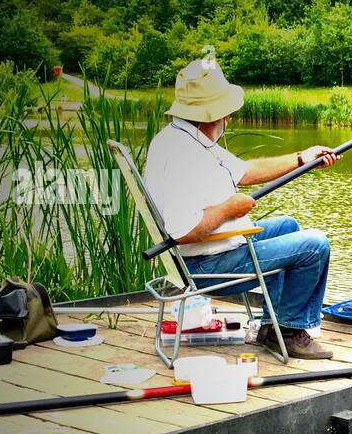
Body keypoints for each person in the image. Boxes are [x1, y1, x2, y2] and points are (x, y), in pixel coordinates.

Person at [144, 59, 341, 359]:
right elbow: (181, 232)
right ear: (214, 114)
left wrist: (303, 157)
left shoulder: (185, 137)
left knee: (288, 225)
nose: (230, 118)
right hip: (207, 265)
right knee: (315, 245)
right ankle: (287, 331)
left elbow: (245, 170)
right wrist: (229, 208)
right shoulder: (181, 153)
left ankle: (271, 327)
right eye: (227, 113)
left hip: (214, 250)